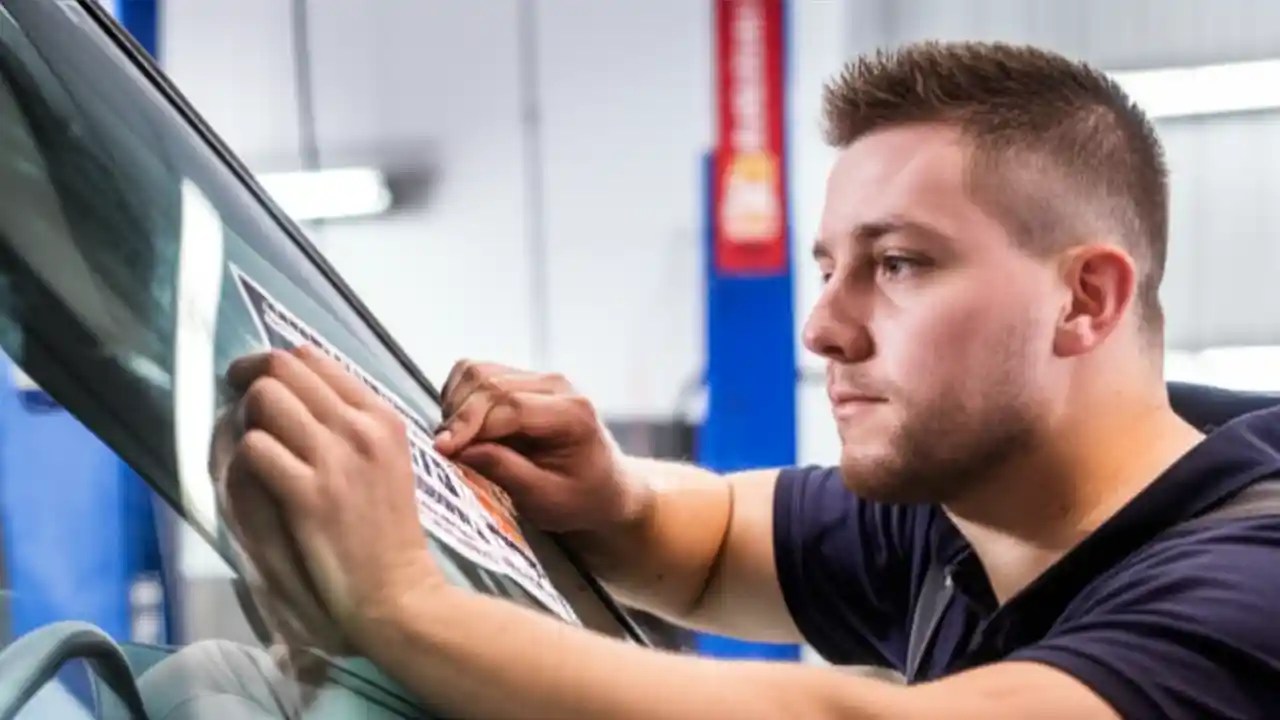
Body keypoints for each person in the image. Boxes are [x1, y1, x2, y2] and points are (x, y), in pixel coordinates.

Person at [217, 40, 1280, 719]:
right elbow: (721, 533)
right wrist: (611, 494)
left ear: (1083, 300)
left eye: (897, 264)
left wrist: (400, 607)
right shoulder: (977, 511)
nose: (823, 326)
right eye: (827, 267)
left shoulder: (1244, 591)